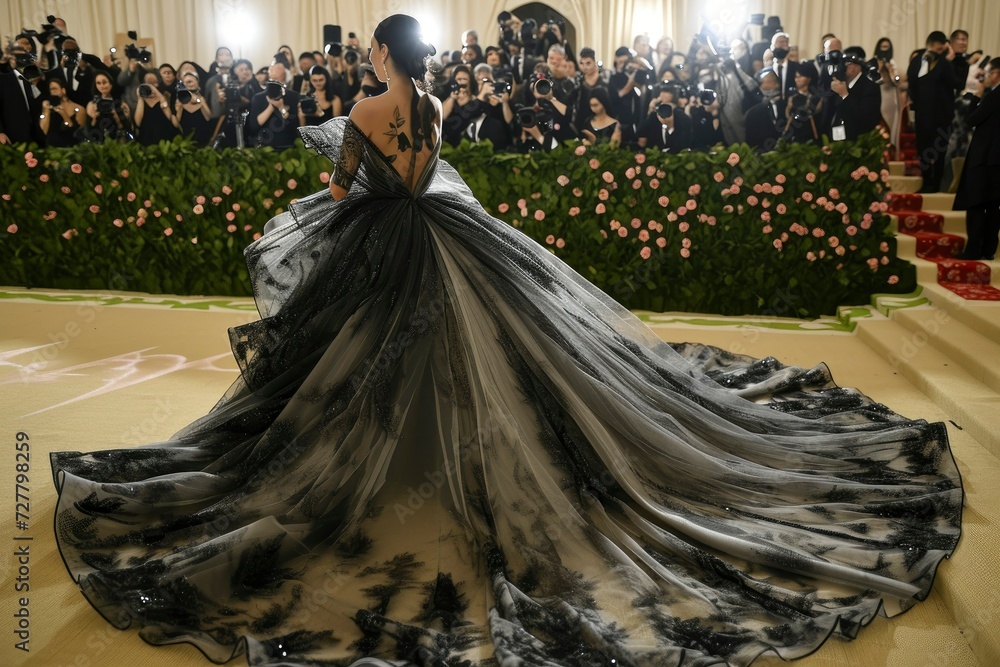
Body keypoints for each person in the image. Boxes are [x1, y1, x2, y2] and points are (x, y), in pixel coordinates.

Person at [50, 13, 963, 667]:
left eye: (373, 44)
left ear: (382, 54)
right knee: (477, 367)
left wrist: (317, 208)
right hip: (443, 243)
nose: (367, 53)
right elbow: (429, 170)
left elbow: (341, 193)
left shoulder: (368, 111)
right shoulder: (439, 103)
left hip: (384, 250)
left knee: (366, 377)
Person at [954, 56, 1000, 260]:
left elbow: (971, 120)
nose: (987, 77)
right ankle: (988, 250)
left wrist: (975, 96)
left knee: (975, 204)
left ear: (997, 74)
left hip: (984, 158)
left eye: (989, 73)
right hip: (996, 160)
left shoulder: (993, 95)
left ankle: (973, 250)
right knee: (993, 206)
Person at [907, 31, 962, 193]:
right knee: (923, 150)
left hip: (942, 116)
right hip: (922, 116)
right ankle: (926, 182)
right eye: (937, 49)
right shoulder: (917, 61)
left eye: (942, 50)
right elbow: (912, 85)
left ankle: (937, 184)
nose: (939, 53)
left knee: (939, 151)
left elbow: (957, 83)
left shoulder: (945, 63)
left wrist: (950, 61)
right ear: (929, 46)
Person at [133, 69, 178, 145]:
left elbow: (169, 115)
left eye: (154, 82)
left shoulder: (163, 97)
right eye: (149, 82)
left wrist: (156, 92)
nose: (151, 85)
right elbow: (137, 122)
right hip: (146, 138)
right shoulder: (140, 101)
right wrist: (140, 97)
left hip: (165, 139)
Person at [873, 37, 903, 150]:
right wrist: (879, 69)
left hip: (891, 95)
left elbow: (896, 80)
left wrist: (890, 70)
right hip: (879, 93)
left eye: (887, 47)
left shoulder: (892, 63)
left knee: (892, 123)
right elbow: (873, 80)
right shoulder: (874, 62)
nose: (885, 49)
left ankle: (892, 146)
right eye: (883, 47)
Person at [39, 77, 85, 146]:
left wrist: (64, 114)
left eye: (54, 88)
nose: (52, 91)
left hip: (71, 148)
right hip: (52, 148)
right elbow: (43, 131)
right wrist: (45, 111)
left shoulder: (78, 108)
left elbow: (78, 134)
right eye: (50, 89)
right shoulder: (48, 108)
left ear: (63, 90)